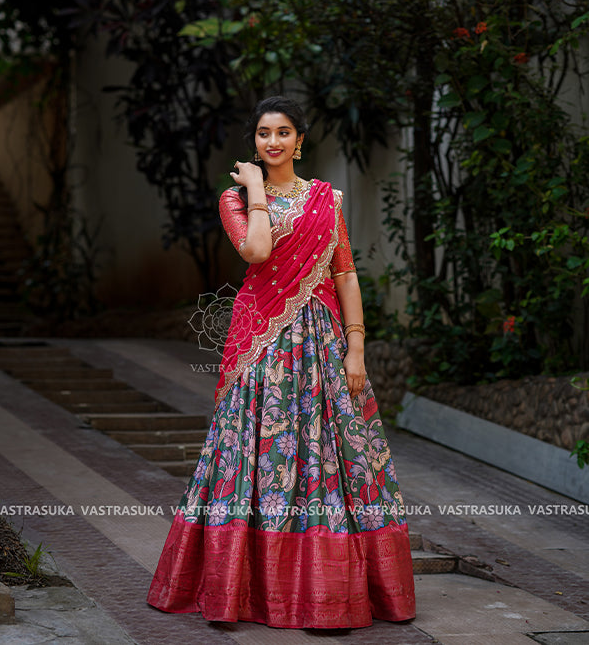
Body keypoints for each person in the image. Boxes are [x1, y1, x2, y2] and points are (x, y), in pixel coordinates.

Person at [147, 96, 416, 628]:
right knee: (255, 450)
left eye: (283, 132)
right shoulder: (234, 198)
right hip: (260, 343)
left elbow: (345, 275)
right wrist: (253, 190)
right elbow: (257, 253)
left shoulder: (326, 199)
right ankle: (242, 591)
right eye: (264, 133)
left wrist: (357, 346)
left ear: (300, 139)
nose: (273, 141)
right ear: (254, 141)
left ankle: (326, 589)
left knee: (325, 454)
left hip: (319, 341)